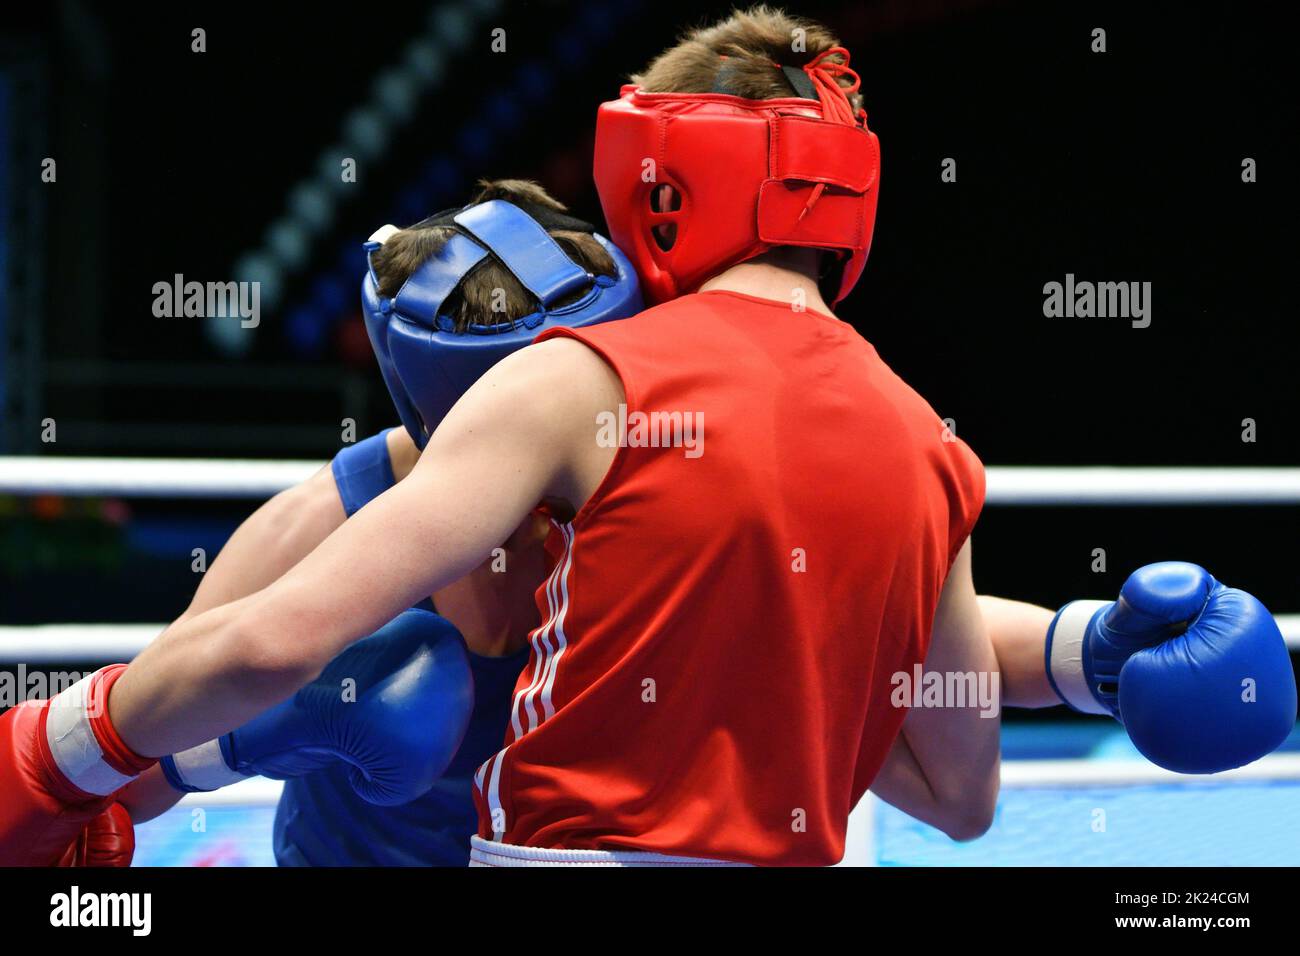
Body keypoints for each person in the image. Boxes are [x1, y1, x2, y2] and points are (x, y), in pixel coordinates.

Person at [2, 7, 1293, 868]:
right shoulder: (340, 526)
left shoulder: (612, 417)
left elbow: (848, 606)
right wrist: (227, 746)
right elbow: (929, 719)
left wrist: (1081, 649)